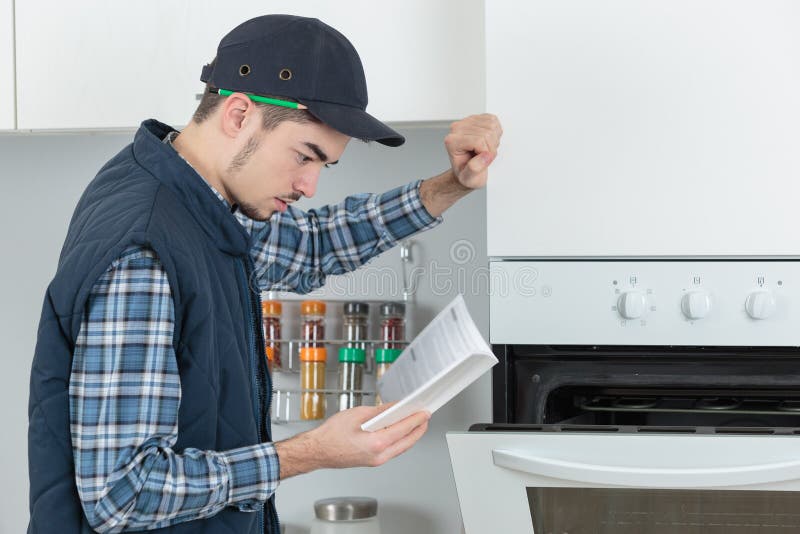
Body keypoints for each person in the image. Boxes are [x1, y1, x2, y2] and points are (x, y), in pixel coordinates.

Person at [27, 14, 502, 534]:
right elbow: (123, 492)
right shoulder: (145, 253)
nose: (309, 185)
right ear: (237, 115)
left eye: (324, 166)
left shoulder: (192, 199)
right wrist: (308, 453)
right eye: (305, 156)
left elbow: (313, 246)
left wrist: (450, 186)